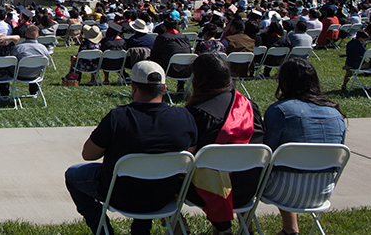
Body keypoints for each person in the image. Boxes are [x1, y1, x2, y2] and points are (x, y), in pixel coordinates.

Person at [65, 61, 197, 235]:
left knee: (72, 175)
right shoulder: (184, 117)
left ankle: (103, 230)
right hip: (164, 195)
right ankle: (141, 230)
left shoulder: (117, 118)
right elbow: (189, 155)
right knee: (152, 173)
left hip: (119, 195)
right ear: (164, 89)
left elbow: (88, 155)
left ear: (133, 88)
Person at [262, 58, 346, 235]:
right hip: (323, 190)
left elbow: (266, 155)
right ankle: (290, 229)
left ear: (284, 82)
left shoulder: (280, 111)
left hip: (283, 191)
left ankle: (241, 228)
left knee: (252, 171)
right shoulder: (336, 114)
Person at [184, 54, 264, 235]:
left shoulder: (195, 114)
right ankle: (246, 227)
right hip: (249, 189)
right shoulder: (250, 106)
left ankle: (178, 227)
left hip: (209, 192)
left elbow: (185, 157)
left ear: (198, 79)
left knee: (169, 173)